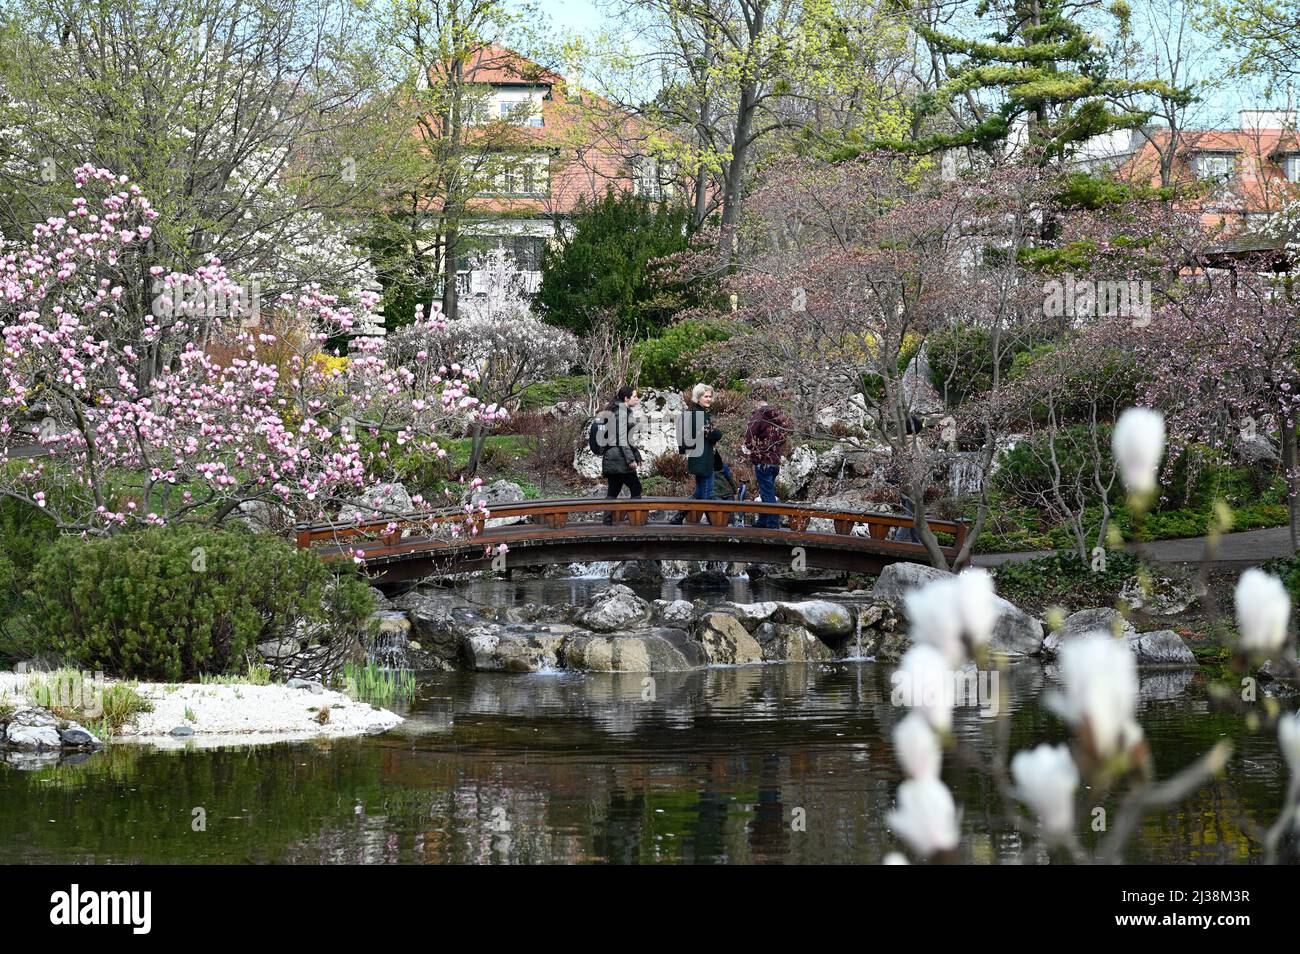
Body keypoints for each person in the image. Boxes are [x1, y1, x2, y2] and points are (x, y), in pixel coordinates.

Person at [592, 386, 643, 525]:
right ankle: (636, 520)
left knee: (613, 491)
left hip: (612, 458)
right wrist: (631, 460)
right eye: (634, 396)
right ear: (626, 398)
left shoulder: (618, 410)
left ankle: (607, 522)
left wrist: (636, 455)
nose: (637, 399)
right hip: (619, 459)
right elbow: (622, 439)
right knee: (636, 488)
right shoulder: (621, 413)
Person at [743, 393, 792, 529]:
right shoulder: (778, 417)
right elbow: (783, 438)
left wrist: (752, 449)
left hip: (763, 459)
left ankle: (772, 523)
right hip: (775, 460)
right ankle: (762, 521)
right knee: (766, 491)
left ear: (755, 401)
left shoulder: (758, 416)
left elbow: (749, 437)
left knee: (767, 493)